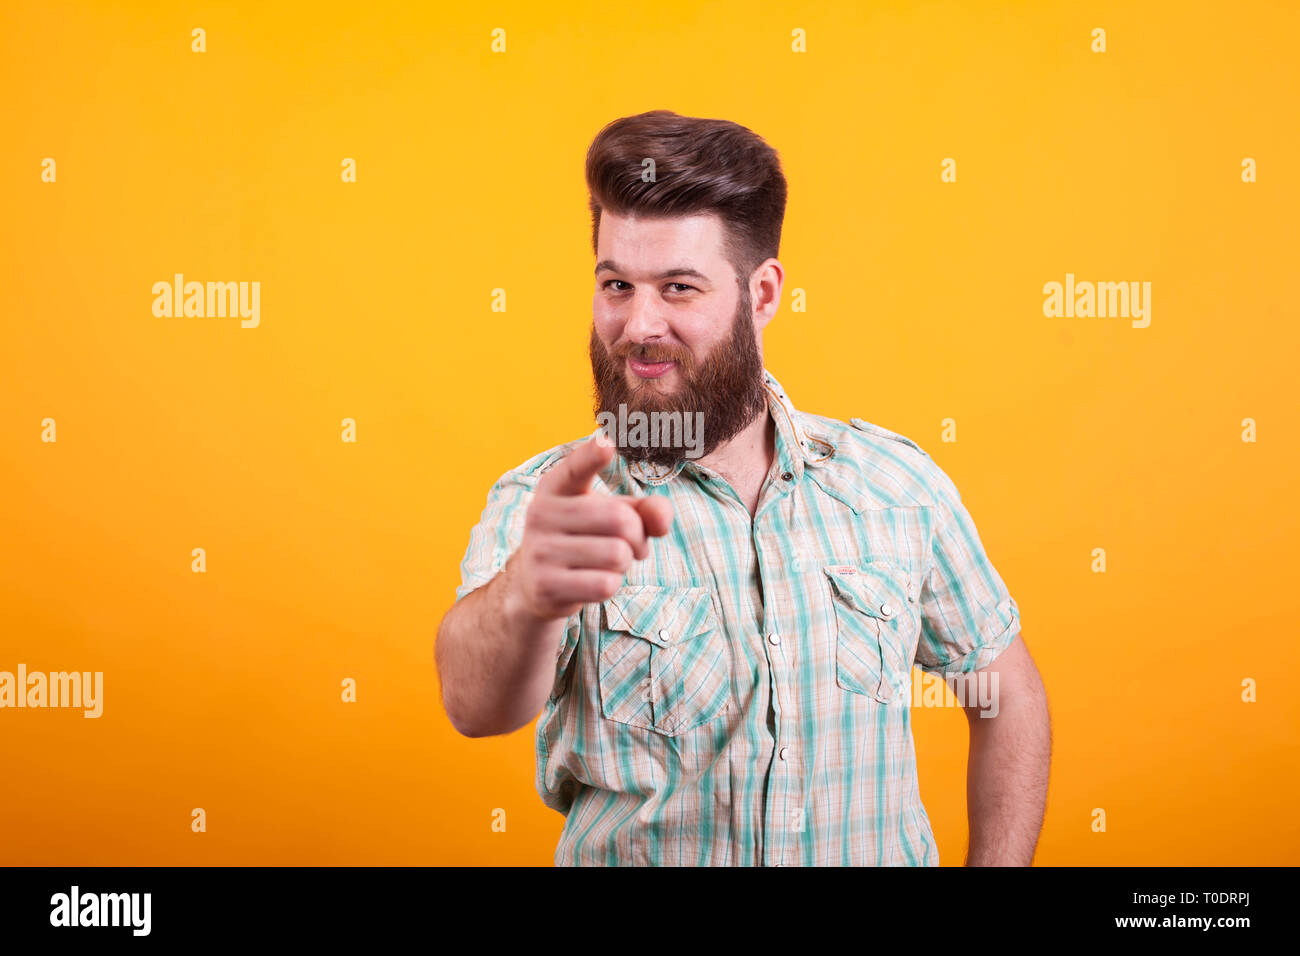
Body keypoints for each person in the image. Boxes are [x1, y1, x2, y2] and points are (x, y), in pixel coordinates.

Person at [435, 109, 1050, 866]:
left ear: (762, 295)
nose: (638, 324)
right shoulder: (557, 506)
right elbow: (473, 704)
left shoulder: (894, 485)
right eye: (617, 284)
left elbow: (1008, 694)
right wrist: (525, 593)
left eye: (680, 287)